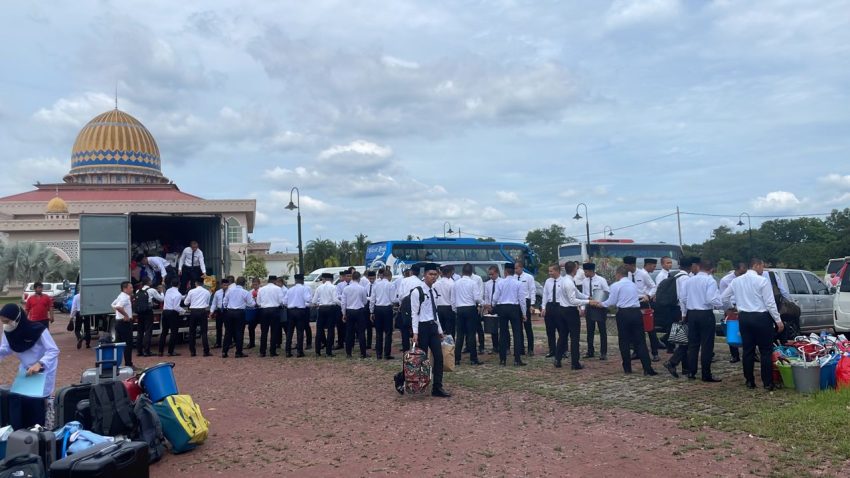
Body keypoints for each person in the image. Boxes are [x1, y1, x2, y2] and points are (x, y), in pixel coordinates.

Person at [720, 258, 785, 390]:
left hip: (744, 317)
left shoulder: (736, 281)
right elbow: (770, 303)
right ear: (756, 265)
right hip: (761, 317)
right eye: (762, 266)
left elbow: (724, 297)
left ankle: (749, 380)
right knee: (765, 351)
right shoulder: (762, 281)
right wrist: (778, 320)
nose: (763, 269)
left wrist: (731, 308)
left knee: (748, 350)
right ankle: (767, 382)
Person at [0, 304, 60, 429]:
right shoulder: (8, 331)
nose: (5, 324)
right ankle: (20, 431)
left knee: (36, 401)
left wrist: (40, 363)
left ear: (17, 318)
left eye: (7, 321)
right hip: (26, 369)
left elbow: (53, 350)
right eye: (3, 322)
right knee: (17, 398)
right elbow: (5, 349)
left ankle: (39, 430)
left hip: (43, 368)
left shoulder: (38, 330)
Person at [597, 266, 657, 375]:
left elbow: (612, 301)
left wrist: (600, 304)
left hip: (624, 313)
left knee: (624, 340)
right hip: (636, 312)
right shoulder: (633, 285)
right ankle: (647, 367)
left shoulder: (615, 285)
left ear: (618, 274)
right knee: (640, 341)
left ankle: (627, 367)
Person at [411, 263, 451, 398]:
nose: (433, 277)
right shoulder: (417, 291)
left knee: (438, 357)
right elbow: (414, 313)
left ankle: (437, 387)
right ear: (424, 275)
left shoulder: (433, 291)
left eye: (435, 274)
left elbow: (435, 312)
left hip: (433, 326)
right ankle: (414, 382)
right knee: (421, 359)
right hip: (422, 328)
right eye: (430, 274)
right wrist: (415, 333)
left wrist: (440, 330)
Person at [682, 258, 722, 382]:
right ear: (712, 269)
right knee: (707, 345)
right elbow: (711, 299)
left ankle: (691, 372)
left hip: (692, 313)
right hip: (705, 313)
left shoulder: (689, 280)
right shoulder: (710, 281)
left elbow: (683, 298)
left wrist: (686, 311)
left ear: (699, 267)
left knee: (693, 344)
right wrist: (719, 303)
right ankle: (706, 374)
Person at [556, 261, 599, 369]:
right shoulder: (569, 282)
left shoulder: (565, 280)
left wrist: (587, 297)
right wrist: (588, 302)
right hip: (570, 311)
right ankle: (575, 363)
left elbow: (577, 293)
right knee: (574, 337)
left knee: (563, 336)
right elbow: (573, 300)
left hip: (562, 310)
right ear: (574, 269)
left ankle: (558, 358)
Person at [662, 257, 696, 378]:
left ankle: (684, 367)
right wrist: (684, 314)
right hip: (681, 310)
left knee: (684, 339)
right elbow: (683, 298)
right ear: (691, 266)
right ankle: (673, 362)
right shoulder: (685, 278)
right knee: (687, 339)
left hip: (674, 309)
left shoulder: (675, 276)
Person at [493, 263, 527, 367]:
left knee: (503, 333)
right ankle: (517, 359)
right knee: (517, 333)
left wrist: (493, 305)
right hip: (514, 308)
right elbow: (522, 299)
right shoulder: (518, 283)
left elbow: (495, 297)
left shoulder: (500, 283)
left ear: (506, 272)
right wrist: (524, 313)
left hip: (502, 307)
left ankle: (502, 359)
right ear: (513, 271)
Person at [452, 263, 482, 366]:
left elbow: (453, 299)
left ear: (462, 272)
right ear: (471, 272)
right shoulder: (473, 283)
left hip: (460, 309)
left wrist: (455, 310)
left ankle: (456, 359)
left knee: (459, 335)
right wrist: (482, 303)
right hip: (470, 309)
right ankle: (473, 359)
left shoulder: (456, 283)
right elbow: (477, 298)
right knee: (471, 334)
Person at [718, 262, 748, 363]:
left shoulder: (746, 278)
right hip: (732, 307)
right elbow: (723, 297)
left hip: (744, 306)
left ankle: (750, 353)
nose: (744, 272)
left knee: (747, 331)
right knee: (732, 331)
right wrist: (729, 308)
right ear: (737, 269)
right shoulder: (725, 280)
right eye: (742, 270)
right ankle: (734, 355)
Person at [581, 262, 610, 360]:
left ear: (591, 271)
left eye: (586, 271)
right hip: (590, 306)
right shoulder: (584, 281)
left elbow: (607, 291)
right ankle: (590, 351)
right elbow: (584, 294)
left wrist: (602, 302)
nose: (585, 273)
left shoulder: (601, 280)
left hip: (600, 307)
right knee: (590, 330)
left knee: (602, 330)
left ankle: (603, 352)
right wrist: (583, 308)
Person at [634, 258, 661, 361]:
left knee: (650, 328)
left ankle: (655, 353)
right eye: (653, 266)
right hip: (633, 303)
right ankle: (637, 351)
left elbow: (653, 286)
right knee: (636, 328)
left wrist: (648, 296)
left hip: (643, 302)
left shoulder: (643, 274)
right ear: (648, 265)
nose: (654, 268)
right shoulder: (628, 274)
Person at [222, 277, 255, 358]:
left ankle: (224, 352)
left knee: (228, 332)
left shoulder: (229, 290)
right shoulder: (245, 292)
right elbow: (251, 304)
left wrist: (227, 306)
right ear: (244, 283)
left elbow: (224, 302)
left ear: (236, 282)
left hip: (229, 312)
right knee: (239, 332)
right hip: (240, 313)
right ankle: (238, 352)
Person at [395, 264, 423, 353]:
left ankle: (406, 348)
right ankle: (417, 347)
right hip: (416, 305)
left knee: (404, 328)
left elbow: (400, 295)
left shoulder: (404, 281)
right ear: (419, 273)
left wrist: (401, 305)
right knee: (416, 326)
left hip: (405, 305)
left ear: (411, 271)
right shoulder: (421, 282)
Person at [342, 271, 369, 359]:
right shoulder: (362, 288)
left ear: (352, 278)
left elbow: (343, 303)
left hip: (349, 311)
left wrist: (344, 313)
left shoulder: (346, 288)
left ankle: (348, 352)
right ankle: (363, 353)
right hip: (359, 311)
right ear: (359, 278)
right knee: (361, 332)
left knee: (349, 332)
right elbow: (365, 301)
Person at [370, 268, 396, 360]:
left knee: (378, 332)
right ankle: (387, 354)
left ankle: (378, 354)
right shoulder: (391, 285)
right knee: (388, 332)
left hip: (378, 308)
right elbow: (393, 299)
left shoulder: (376, 285)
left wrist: (371, 311)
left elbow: (372, 299)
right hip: (387, 308)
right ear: (389, 276)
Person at [134, 277, 163, 357]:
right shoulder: (151, 290)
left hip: (140, 312)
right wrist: (161, 292)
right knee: (148, 331)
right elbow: (161, 299)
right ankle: (146, 351)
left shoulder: (138, 291)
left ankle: (139, 351)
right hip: (148, 312)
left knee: (140, 331)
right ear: (149, 282)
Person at [285, 274, 312, 358]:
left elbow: (284, 301)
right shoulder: (304, 289)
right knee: (300, 331)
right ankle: (299, 351)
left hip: (291, 311)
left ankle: (287, 351)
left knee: (290, 331)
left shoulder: (290, 289)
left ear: (295, 280)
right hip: (300, 311)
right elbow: (308, 299)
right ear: (302, 280)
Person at [312, 273, 339, 356]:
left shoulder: (319, 287)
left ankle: (317, 351)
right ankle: (328, 351)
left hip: (321, 308)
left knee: (319, 330)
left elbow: (313, 301)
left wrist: (319, 304)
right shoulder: (333, 287)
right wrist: (342, 304)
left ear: (324, 279)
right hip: (331, 309)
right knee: (331, 330)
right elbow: (335, 300)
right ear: (331, 279)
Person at [111, 281, 136, 368]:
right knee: (128, 344)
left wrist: (118, 314)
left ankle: (117, 364)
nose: (132, 289)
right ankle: (128, 364)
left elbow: (113, 305)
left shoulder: (120, 296)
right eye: (131, 287)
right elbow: (118, 307)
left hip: (119, 322)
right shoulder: (125, 297)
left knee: (119, 344)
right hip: (124, 323)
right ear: (125, 289)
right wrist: (126, 315)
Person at [514, 259, 536, 356]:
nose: (515, 270)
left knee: (527, 326)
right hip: (516, 302)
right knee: (518, 327)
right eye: (514, 268)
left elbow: (532, 290)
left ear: (521, 268)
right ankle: (521, 348)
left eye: (517, 268)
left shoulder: (528, 277)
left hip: (526, 301)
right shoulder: (513, 278)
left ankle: (530, 348)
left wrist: (532, 304)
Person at [257, 275, 283, 357]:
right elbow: (281, 301)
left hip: (264, 311)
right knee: (274, 331)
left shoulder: (261, 289)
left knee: (264, 332)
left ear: (268, 280)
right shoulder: (278, 289)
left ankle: (262, 351)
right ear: (275, 281)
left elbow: (258, 302)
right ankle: (272, 351)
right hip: (274, 310)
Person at [185, 280, 212, 357]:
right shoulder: (207, 292)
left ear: (195, 283)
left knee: (192, 332)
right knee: (204, 331)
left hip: (193, 311)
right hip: (203, 311)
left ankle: (192, 351)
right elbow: (207, 303)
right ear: (203, 283)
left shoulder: (191, 291)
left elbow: (186, 303)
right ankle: (206, 351)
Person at [159, 279, 185, 357]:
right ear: (179, 285)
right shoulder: (178, 294)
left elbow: (173, 298)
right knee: (174, 332)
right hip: (172, 313)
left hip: (165, 311)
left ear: (171, 284)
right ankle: (170, 351)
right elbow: (176, 307)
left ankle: (160, 351)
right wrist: (183, 311)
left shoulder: (168, 291)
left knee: (164, 332)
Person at [541, 264, 561, 359]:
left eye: (551, 271)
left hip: (560, 306)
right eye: (549, 271)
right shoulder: (548, 281)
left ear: (557, 271)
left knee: (562, 330)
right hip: (550, 306)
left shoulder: (564, 281)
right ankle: (552, 350)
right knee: (550, 330)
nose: (549, 273)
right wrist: (543, 307)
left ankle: (563, 350)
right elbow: (545, 294)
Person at [482, 265, 501, 355]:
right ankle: (495, 346)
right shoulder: (487, 284)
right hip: (490, 307)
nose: (490, 276)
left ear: (497, 273)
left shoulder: (502, 282)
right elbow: (486, 295)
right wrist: (487, 306)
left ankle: (505, 346)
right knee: (493, 328)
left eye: (492, 274)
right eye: (489, 274)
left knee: (502, 327)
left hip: (500, 306)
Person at [434, 266, 456, 340]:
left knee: (441, 329)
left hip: (439, 307)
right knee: (450, 329)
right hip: (448, 308)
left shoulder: (436, 283)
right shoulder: (451, 284)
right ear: (449, 273)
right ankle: (450, 345)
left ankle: (441, 345)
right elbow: (453, 298)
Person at [209, 278, 231, 348]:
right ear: (221, 285)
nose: (226, 287)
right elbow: (214, 303)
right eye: (224, 285)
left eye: (227, 285)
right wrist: (211, 312)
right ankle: (218, 343)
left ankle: (229, 343)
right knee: (218, 327)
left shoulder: (230, 292)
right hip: (219, 312)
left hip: (227, 311)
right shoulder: (217, 292)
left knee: (228, 328)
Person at [334, 270, 351, 350]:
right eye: (347, 276)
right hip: (341, 306)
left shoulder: (354, 285)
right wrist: (344, 296)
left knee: (350, 326)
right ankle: (340, 343)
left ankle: (350, 343)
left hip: (351, 307)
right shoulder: (340, 285)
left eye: (350, 276)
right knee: (340, 326)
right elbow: (337, 296)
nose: (349, 278)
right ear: (344, 277)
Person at [363, 270, 377, 350]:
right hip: (368, 307)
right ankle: (368, 344)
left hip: (376, 306)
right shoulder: (367, 285)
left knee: (377, 327)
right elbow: (365, 295)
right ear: (368, 278)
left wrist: (369, 298)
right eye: (370, 278)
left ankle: (377, 344)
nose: (371, 280)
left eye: (373, 278)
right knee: (368, 327)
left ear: (375, 277)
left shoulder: (377, 285)